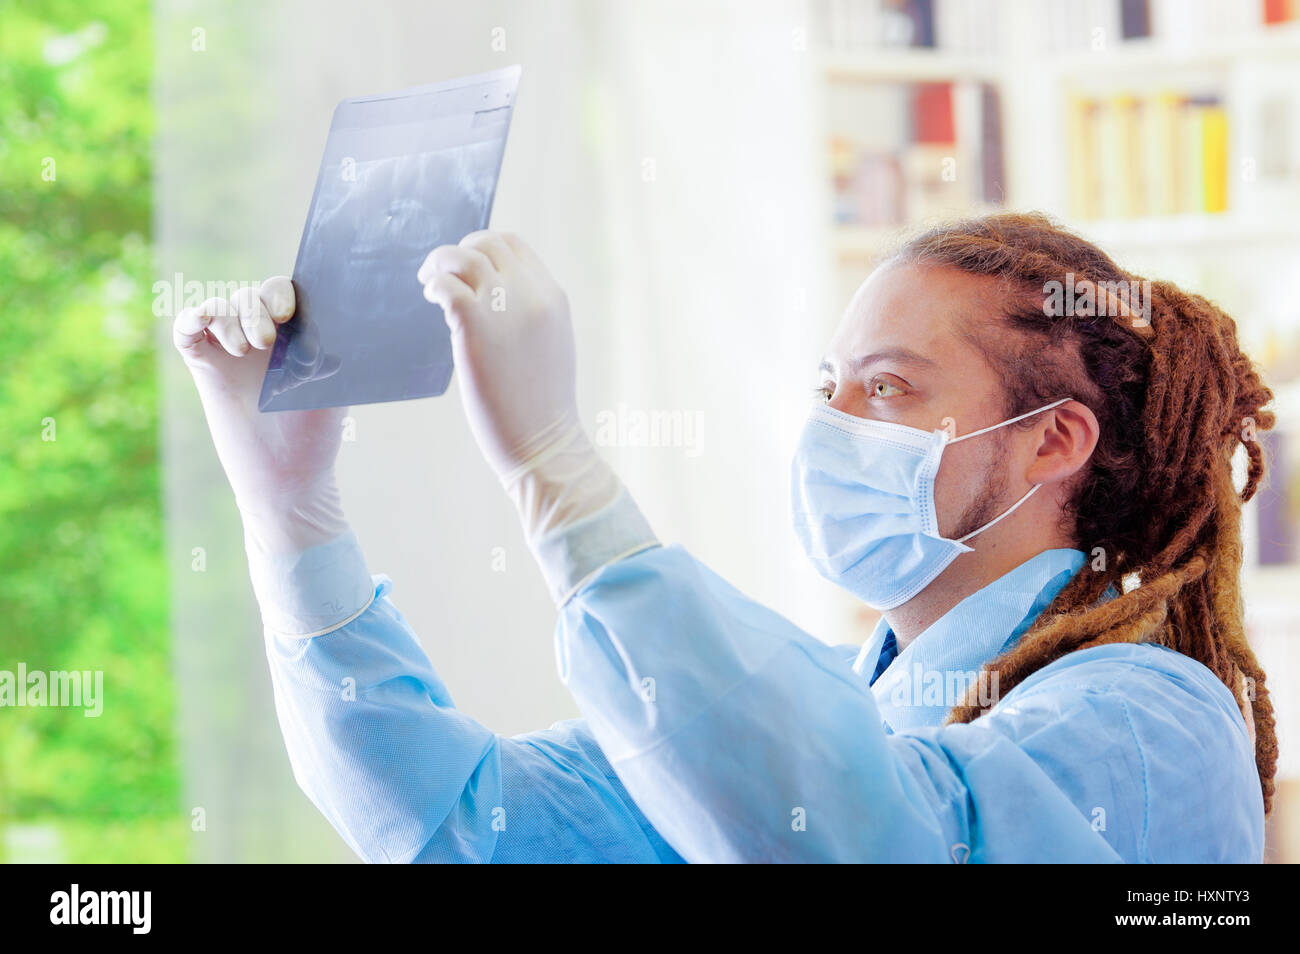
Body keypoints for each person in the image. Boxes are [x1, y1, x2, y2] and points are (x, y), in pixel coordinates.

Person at [174, 212, 1275, 862]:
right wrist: (289, 510)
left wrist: (561, 471)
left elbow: (866, 838)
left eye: (886, 389)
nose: (831, 428)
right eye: (827, 387)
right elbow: (469, 826)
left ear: (1049, 444)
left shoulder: (1148, 716)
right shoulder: (851, 707)